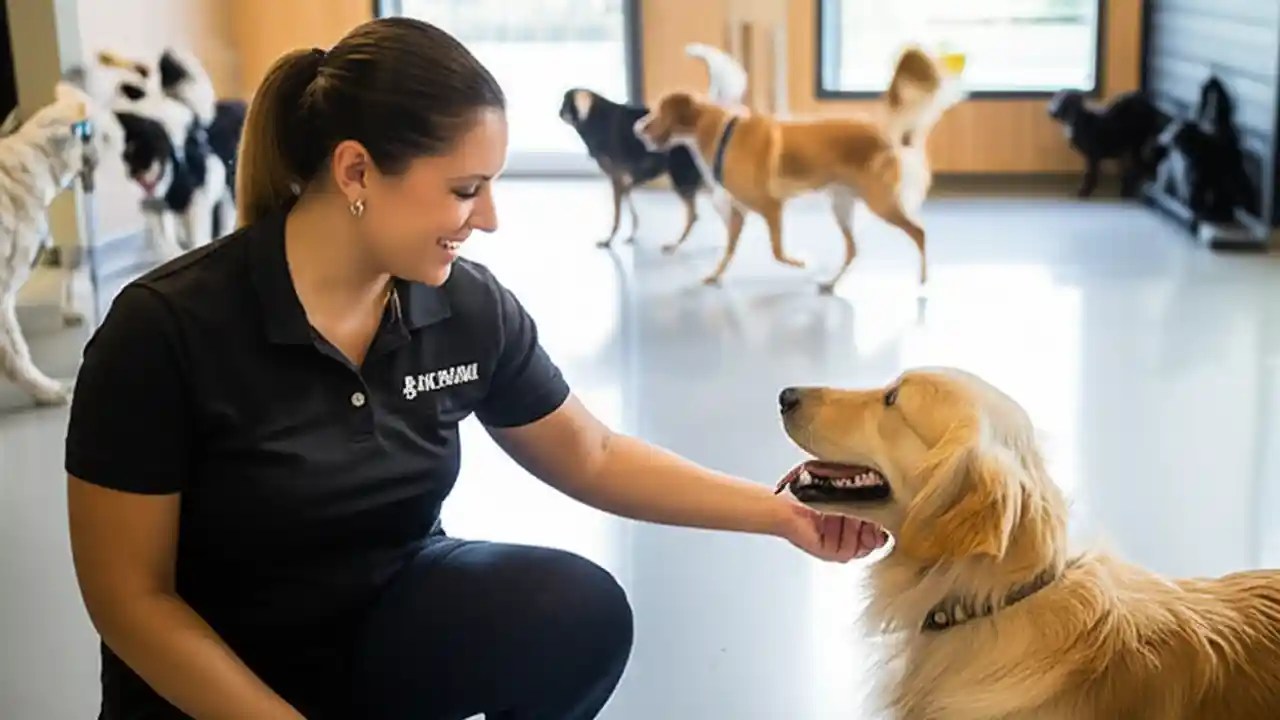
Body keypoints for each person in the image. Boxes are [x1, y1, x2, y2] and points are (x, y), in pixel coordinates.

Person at [64, 17, 887, 720]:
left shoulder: (461, 306)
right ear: (355, 172)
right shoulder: (166, 329)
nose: (488, 219)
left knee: (575, 613)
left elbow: (591, 453)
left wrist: (779, 513)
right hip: (214, 677)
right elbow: (131, 600)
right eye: (465, 189)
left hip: (379, 625)